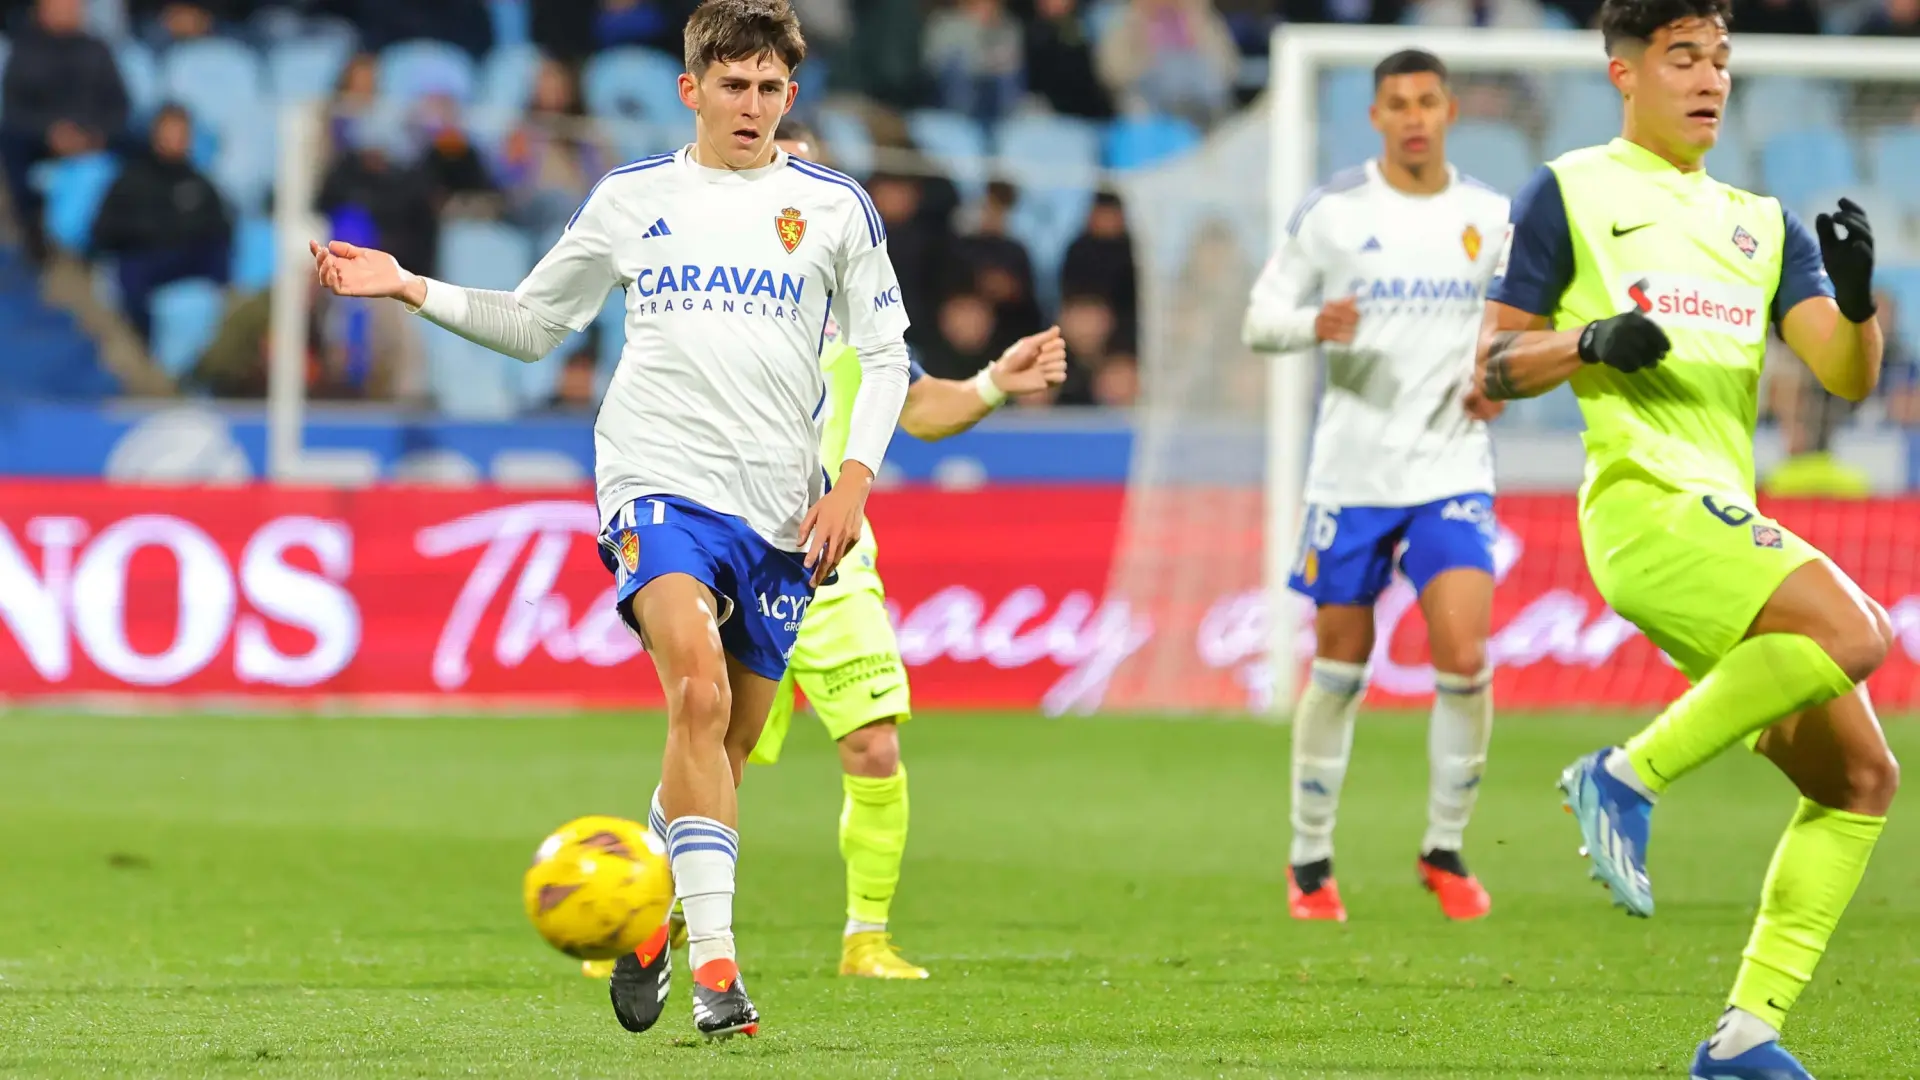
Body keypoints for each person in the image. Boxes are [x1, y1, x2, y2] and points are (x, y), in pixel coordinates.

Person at [310, 0, 911, 1040]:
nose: (753, 105)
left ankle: (647, 915)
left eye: (771, 88)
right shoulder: (635, 198)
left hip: (779, 503)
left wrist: (853, 476)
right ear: (692, 90)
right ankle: (719, 974)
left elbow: (890, 355)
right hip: (656, 481)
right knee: (696, 687)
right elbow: (540, 323)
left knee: (726, 740)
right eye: (733, 85)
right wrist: (409, 285)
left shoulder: (834, 208)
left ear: (791, 95)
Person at [1476, 1, 1896, 1075]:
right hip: (1642, 505)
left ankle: (1746, 1037)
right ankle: (1624, 775)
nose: (1709, 79)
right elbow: (1488, 368)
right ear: (1624, 73)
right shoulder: (1571, 190)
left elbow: (1845, 374)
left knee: (1860, 782)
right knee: (1859, 629)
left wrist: (1857, 299)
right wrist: (1590, 340)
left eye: (1719, 58)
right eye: (1682, 58)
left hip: (1727, 522)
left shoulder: (1761, 221)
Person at [1241, 48, 1509, 925]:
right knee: (1340, 670)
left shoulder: (1489, 217)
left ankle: (1445, 848)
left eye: (1428, 100)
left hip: (1451, 469)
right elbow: (1260, 319)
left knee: (1464, 658)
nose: (1414, 117)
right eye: (1397, 103)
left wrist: (1498, 378)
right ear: (1376, 117)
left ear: (1450, 109)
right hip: (1352, 476)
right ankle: (1310, 861)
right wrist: (1314, 322)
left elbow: (1517, 329)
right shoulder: (1335, 212)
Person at [90, 104, 233, 344]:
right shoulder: (130, 181)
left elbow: (220, 232)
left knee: (219, 264)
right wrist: (143, 233)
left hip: (189, 260)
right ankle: (142, 347)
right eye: (170, 132)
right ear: (155, 134)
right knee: (131, 278)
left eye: (182, 133)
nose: (177, 140)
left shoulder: (200, 185)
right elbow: (103, 231)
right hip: (145, 258)